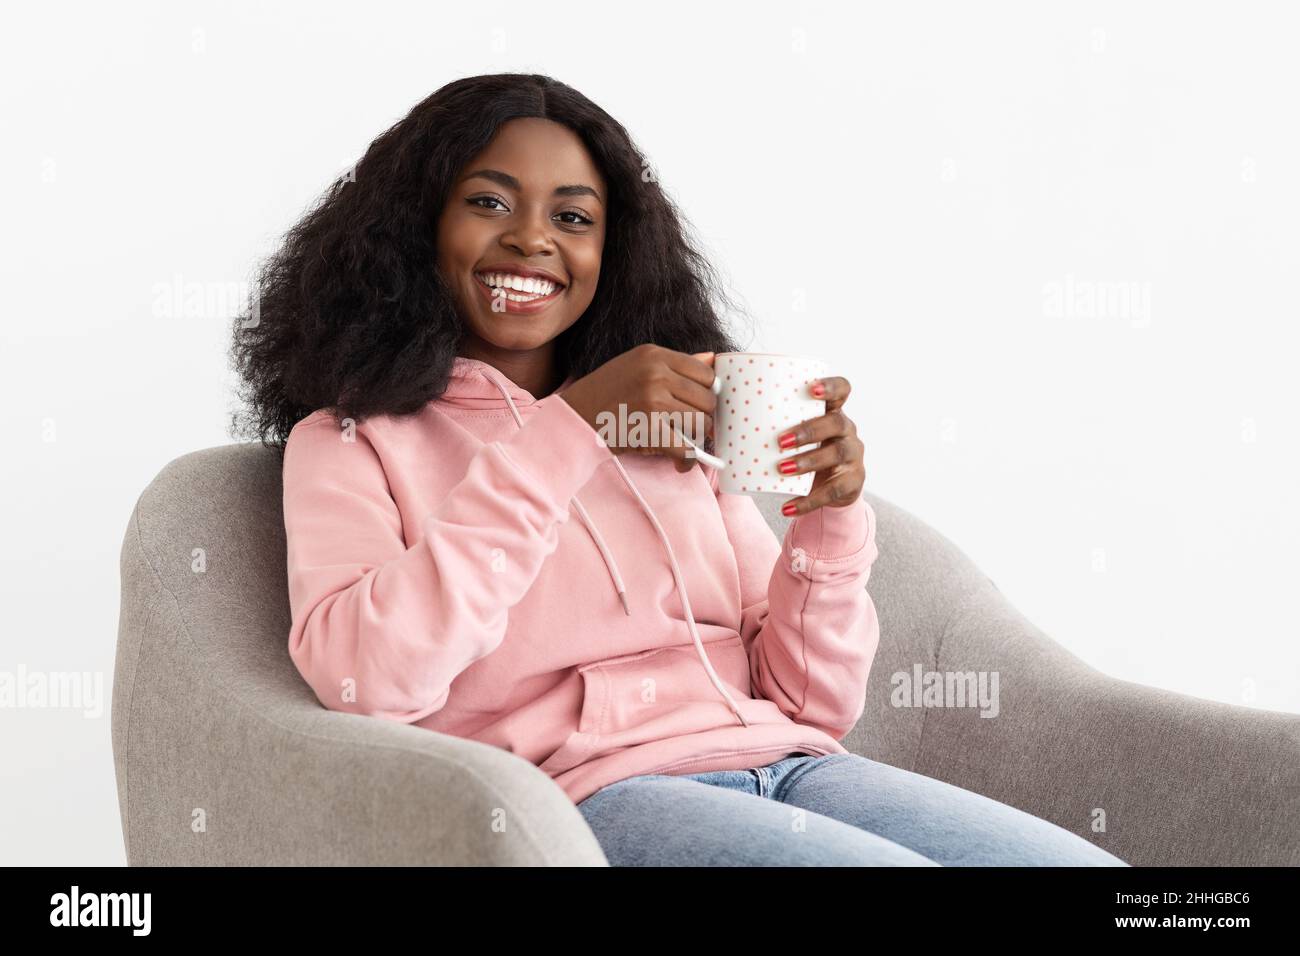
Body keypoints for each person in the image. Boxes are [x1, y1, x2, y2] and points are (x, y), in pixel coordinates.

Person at [231, 73, 1128, 867]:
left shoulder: (663, 432)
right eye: (490, 203)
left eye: (573, 217)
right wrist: (565, 431)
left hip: (789, 767)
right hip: (589, 803)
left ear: (608, 255)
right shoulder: (351, 440)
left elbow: (810, 703)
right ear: (415, 227)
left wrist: (828, 520)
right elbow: (371, 678)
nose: (534, 239)